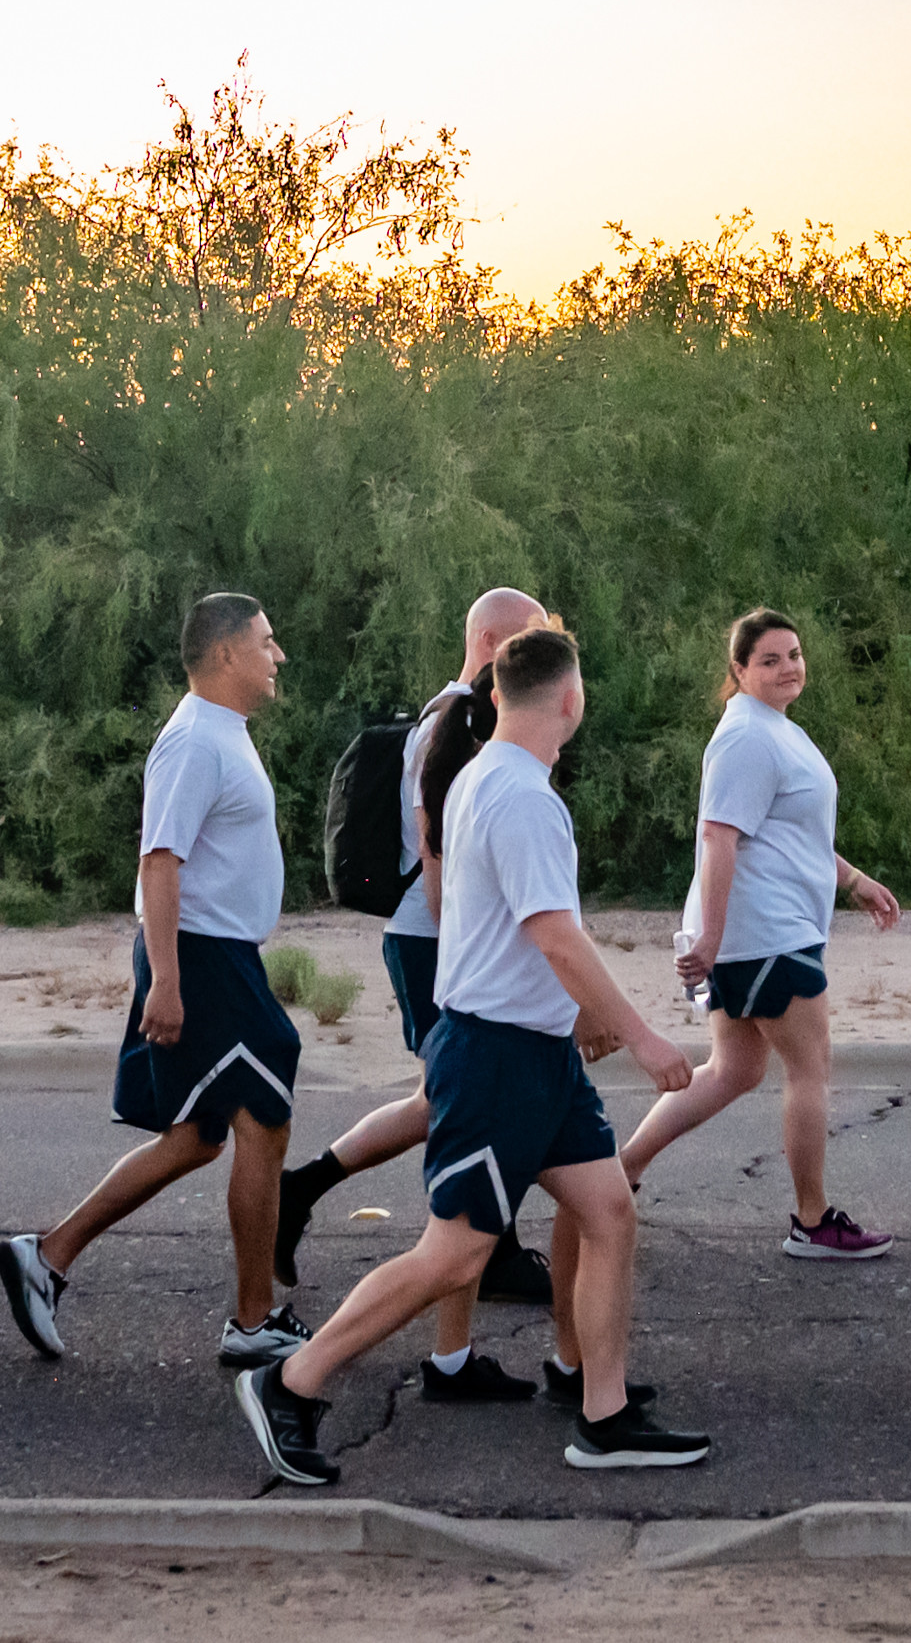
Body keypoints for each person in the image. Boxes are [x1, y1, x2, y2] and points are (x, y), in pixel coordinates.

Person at [239, 627, 711, 1482]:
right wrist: (641, 1035)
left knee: (607, 1211)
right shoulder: (524, 798)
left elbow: (497, 929)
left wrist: (570, 1022)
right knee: (454, 1254)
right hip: (496, 1056)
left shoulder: (480, 778)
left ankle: (601, 1414)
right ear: (569, 701)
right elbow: (555, 936)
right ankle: (292, 1383)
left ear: (498, 693)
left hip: (530, 1051)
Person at [0, 595, 310, 1369]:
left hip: (220, 955)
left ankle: (47, 1254)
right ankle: (251, 1321)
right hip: (202, 958)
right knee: (265, 1117)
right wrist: (166, 981)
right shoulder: (194, 742)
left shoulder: (222, 734)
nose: (279, 657)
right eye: (268, 644)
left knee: (200, 1137)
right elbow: (158, 860)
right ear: (228, 653)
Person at [270, 587, 555, 1406]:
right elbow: (436, 853)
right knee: (462, 1100)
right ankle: (468, 1258)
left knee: (444, 1097)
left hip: (437, 938)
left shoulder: (463, 716)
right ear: (495, 640)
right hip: (437, 940)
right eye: (535, 636)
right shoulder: (454, 725)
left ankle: (312, 1191)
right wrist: (468, 943)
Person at [616, 608, 904, 1257]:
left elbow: (789, 836)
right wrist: (712, 938)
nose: (787, 668)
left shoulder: (775, 730)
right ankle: (812, 1220)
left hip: (764, 931)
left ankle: (619, 1171)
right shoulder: (746, 736)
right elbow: (720, 836)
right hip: (764, 933)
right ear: (739, 671)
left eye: (794, 655)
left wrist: (854, 879)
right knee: (811, 1068)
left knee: (733, 1070)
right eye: (769, 660)